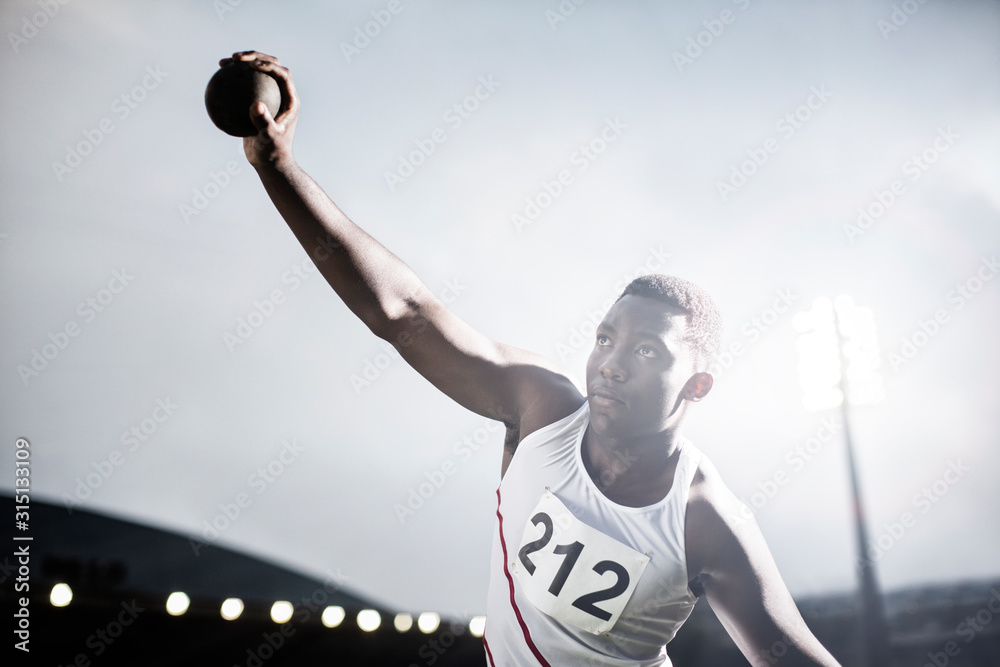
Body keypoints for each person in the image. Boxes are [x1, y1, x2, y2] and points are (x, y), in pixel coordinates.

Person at [225, 50, 842, 667]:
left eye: (648, 350)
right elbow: (404, 311)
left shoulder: (706, 522)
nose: (611, 364)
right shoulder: (541, 408)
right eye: (605, 339)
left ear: (698, 386)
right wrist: (279, 167)